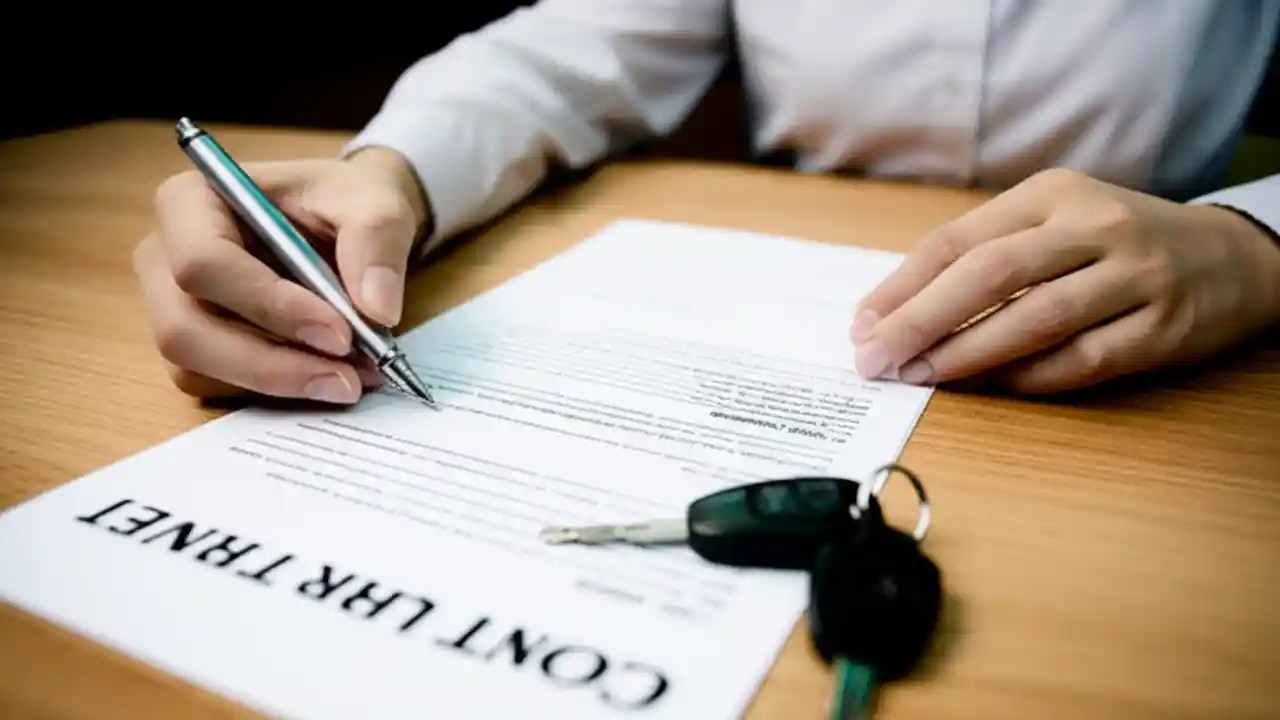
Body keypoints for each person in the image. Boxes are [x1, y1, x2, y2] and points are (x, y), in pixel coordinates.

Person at [133, 0, 1280, 405]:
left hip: (1163, 350)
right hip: (789, 295)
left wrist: (1253, 240)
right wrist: (394, 171)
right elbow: (574, 46)